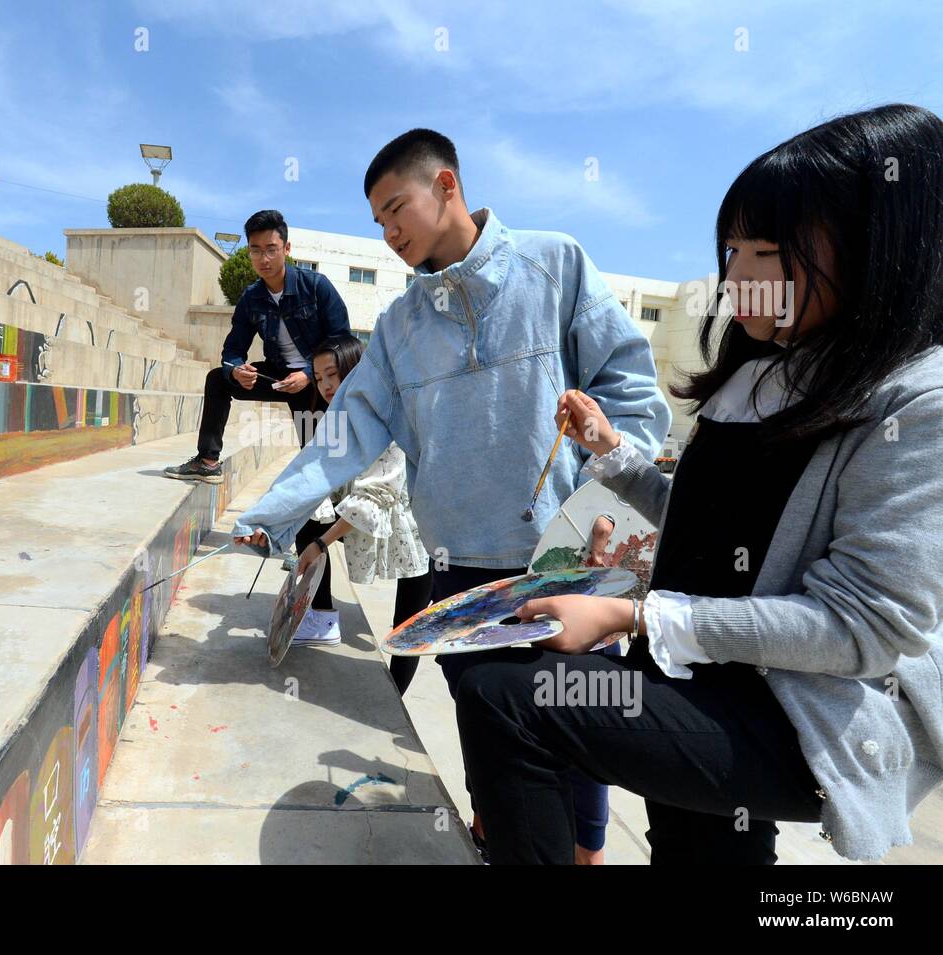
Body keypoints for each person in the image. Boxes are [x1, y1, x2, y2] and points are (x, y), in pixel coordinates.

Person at [454, 104, 943, 864]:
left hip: (792, 712)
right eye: (732, 248)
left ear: (875, 245)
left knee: (505, 694)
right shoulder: (756, 373)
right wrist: (611, 452)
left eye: (768, 250)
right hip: (690, 674)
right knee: (693, 844)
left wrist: (635, 617)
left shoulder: (916, 399)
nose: (737, 277)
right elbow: (710, 524)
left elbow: (865, 626)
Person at [232, 129, 671, 862]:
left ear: (446, 187)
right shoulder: (401, 327)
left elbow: (634, 398)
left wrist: (611, 516)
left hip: (564, 564)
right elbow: (346, 433)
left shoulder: (554, 264)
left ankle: (587, 852)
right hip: (461, 574)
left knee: (573, 737)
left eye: (395, 208)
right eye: (377, 221)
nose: (389, 231)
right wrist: (269, 515)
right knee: (491, 742)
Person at [165, 209, 349, 484]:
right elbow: (232, 350)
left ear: (286, 248)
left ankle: (329, 519)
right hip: (278, 377)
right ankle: (208, 462)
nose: (264, 259)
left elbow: (342, 341)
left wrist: (310, 374)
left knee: (320, 464)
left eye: (271, 249)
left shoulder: (315, 286)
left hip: (317, 383)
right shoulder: (252, 297)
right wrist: (236, 370)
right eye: (256, 250)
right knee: (218, 379)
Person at [287, 336, 433, 672]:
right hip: (369, 517)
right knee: (308, 514)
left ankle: (394, 705)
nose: (325, 385)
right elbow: (321, 478)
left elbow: (372, 500)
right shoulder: (335, 419)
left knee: (406, 633)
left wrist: (321, 544)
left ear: (354, 369)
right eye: (318, 377)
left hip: (415, 531)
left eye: (331, 374)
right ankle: (322, 620)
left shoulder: (389, 419)